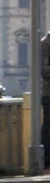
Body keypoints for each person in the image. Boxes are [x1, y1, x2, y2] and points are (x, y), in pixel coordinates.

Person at [41, 31, 50, 168]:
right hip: (49, 93)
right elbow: (44, 70)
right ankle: (47, 160)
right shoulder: (45, 44)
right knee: (48, 127)